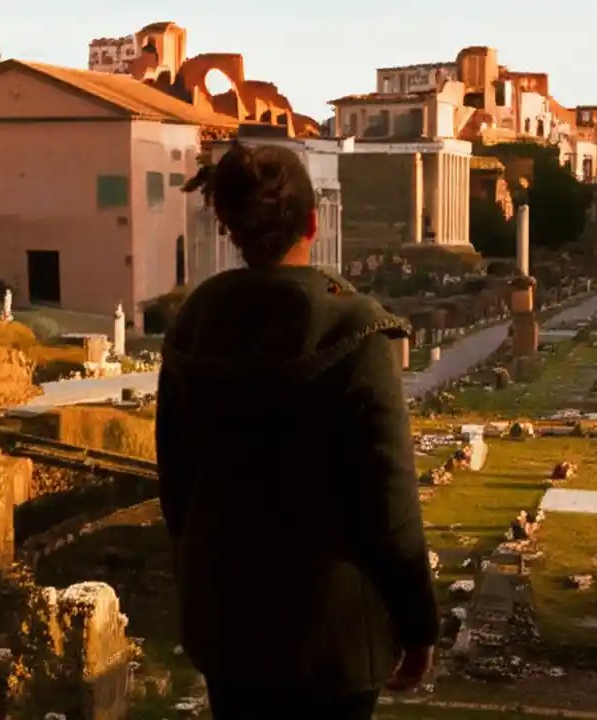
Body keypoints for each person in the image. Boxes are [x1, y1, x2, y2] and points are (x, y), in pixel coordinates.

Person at [156, 142, 439, 719]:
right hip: (332, 636)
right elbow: (390, 508)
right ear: (313, 221)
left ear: (230, 227)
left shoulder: (194, 322)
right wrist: (418, 627)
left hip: (227, 621)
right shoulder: (357, 330)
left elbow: (176, 489)